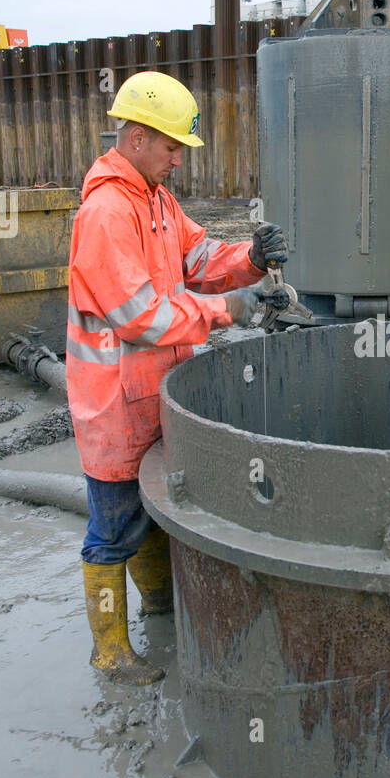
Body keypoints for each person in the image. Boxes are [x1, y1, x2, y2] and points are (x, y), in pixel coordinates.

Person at [66, 71, 287, 685]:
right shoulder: (108, 213)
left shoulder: (156, 201)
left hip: (154, 390)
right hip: (113, 401)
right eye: (171, 148)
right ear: (136, 137)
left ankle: (160, 607)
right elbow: (139, 317)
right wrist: (229, 311)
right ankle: (110, 651)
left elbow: (196, 260)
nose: (178, 161)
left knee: (151, 508)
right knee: (112, 530)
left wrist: (249, 259)